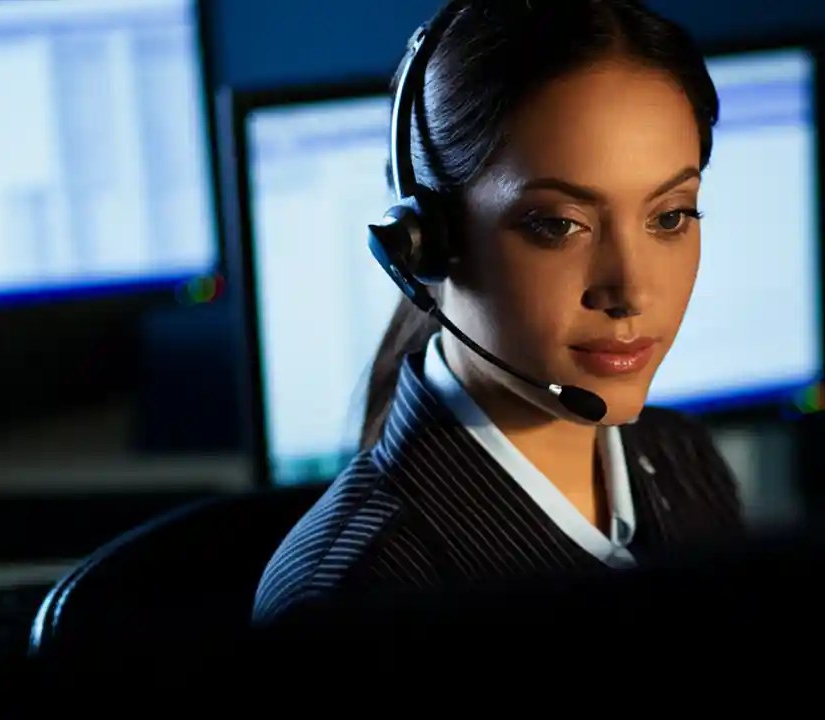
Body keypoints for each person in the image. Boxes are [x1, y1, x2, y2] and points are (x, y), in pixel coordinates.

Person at [252, 0, 744, 624]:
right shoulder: (357, 596)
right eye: (559, 224)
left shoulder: (685, 462)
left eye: (670, 216)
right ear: (429, 241)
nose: (631, 291)